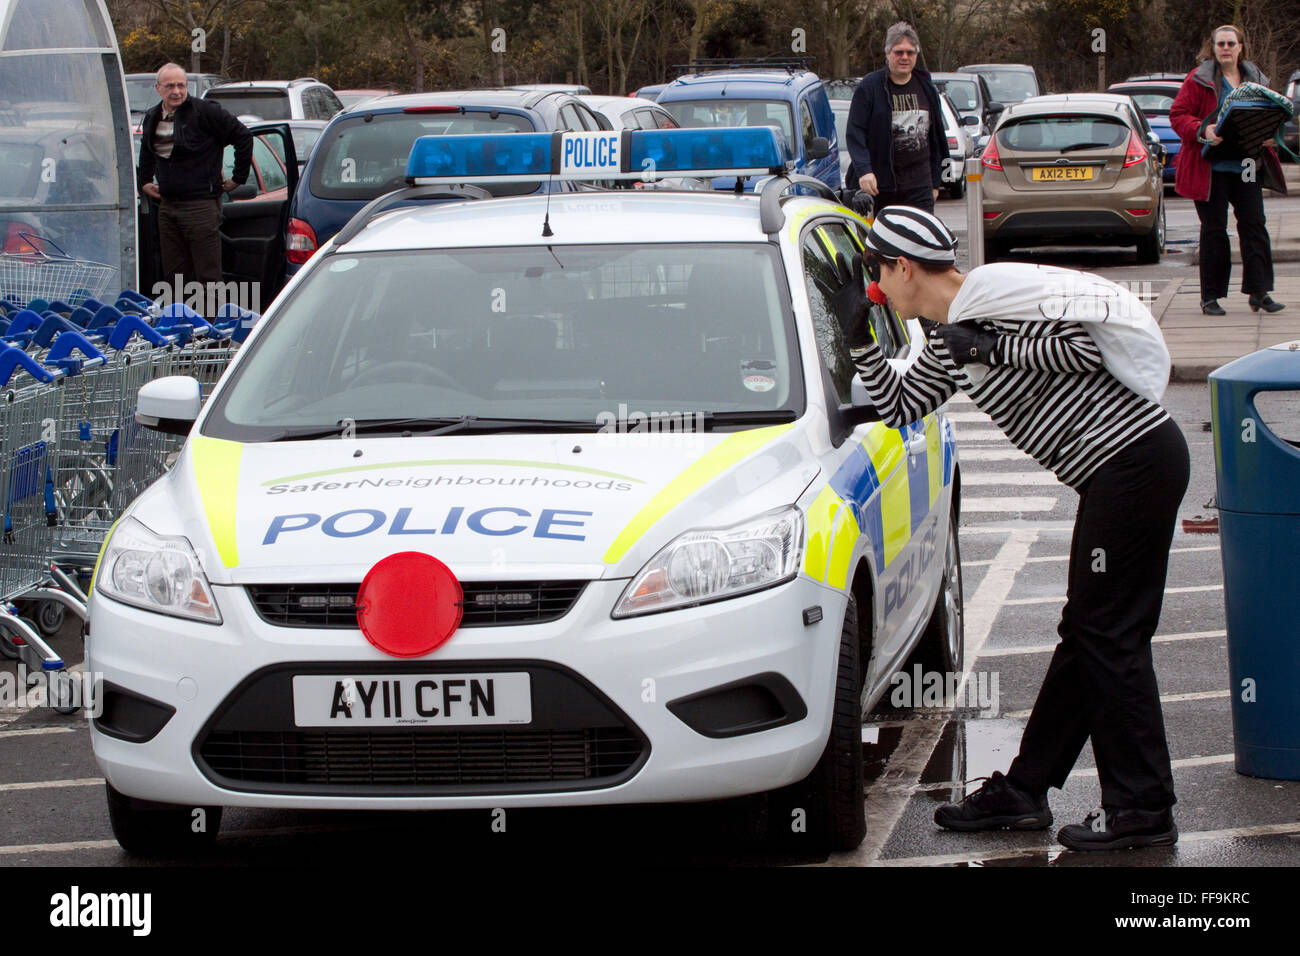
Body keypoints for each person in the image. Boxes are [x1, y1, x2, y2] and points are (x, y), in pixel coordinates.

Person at [821, 206, 1189, 851]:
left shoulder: (995, 302)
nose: (876, 284)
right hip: (1114, 476)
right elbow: (902, 407)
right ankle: (1026, 790)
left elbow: (1079, 345)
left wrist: (988, 345)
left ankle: (1142, 809)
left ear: (903, 267)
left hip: (1134, 463)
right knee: (1090, 633)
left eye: (878, 272)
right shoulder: (945, 338)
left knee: (1110, 638)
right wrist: (860, 341)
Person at [1170, 25, 1285, 316]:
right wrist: (1202, 129)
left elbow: (1269, 113)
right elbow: (1178, 115)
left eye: (1230, 43)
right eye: (1220, 43)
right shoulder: (1199, 80)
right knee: (1214, 231)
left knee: (1254, 224)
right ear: (1213, 47)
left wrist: (1271, 133)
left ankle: (1260, 292)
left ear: (1240, 47)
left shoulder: (1256, 78)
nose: (1225, 48)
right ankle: (1211, 297)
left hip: (1247, 163)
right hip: (1211, 167)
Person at [137, 63, 252, 289]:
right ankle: (182, 321)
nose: (177, 91)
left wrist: (238, 177)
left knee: (207, 277)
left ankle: (210, 323)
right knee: (175, 278)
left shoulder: (205, 112)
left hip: (201, 206)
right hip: (167, 207)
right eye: (170, 86)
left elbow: (243, 136)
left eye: (181, 85)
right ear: (158, 88)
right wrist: (145, 180)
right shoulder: (152, 116)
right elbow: (147, 150)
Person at [845, 22, 947, 214]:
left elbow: (937, 138)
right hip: (880, 186)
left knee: (920, 242)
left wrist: (935, 182)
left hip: (919, 187)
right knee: (883, 243)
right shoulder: (870, 87)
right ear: (887, 53)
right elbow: (855, 132)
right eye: (898, 52)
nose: (904, 57)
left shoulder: (926, 87)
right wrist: (864, 171)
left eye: (910, 52)